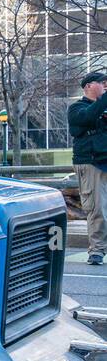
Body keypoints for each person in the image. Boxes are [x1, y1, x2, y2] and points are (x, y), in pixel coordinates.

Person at [68, 70, 107, 265]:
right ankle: (97, 251)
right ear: (89, 86)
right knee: (97, 209)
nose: (106, 85)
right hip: (91, 164)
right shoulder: (77, 108)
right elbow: (88, 118)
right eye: (103, 82)